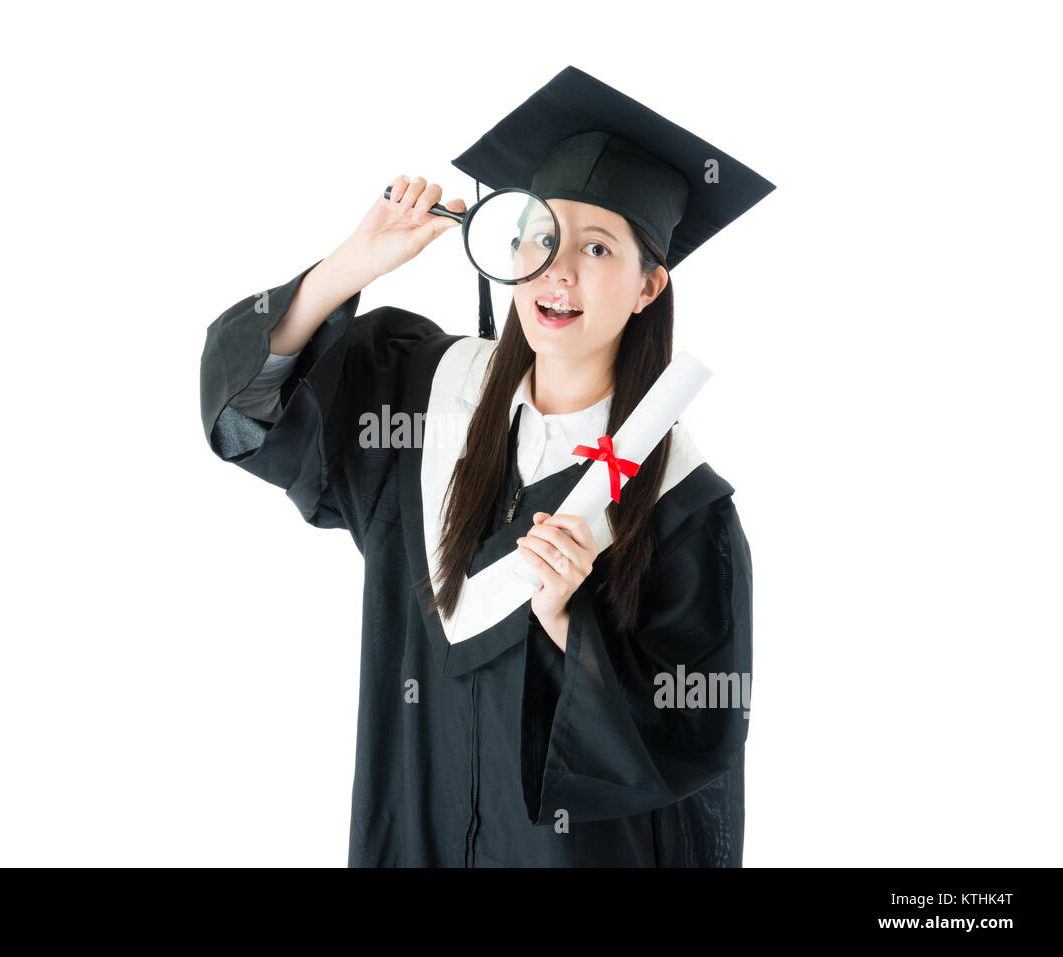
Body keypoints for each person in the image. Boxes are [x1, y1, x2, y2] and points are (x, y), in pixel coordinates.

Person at [199, 66, 774, 866]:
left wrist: (576, 628)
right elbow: (247, 416)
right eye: (542, 235)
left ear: (649, 285)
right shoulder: (419, 397)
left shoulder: (683, 506)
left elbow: (695, 745)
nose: (558, 270)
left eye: (598, 247)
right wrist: (346, 268)